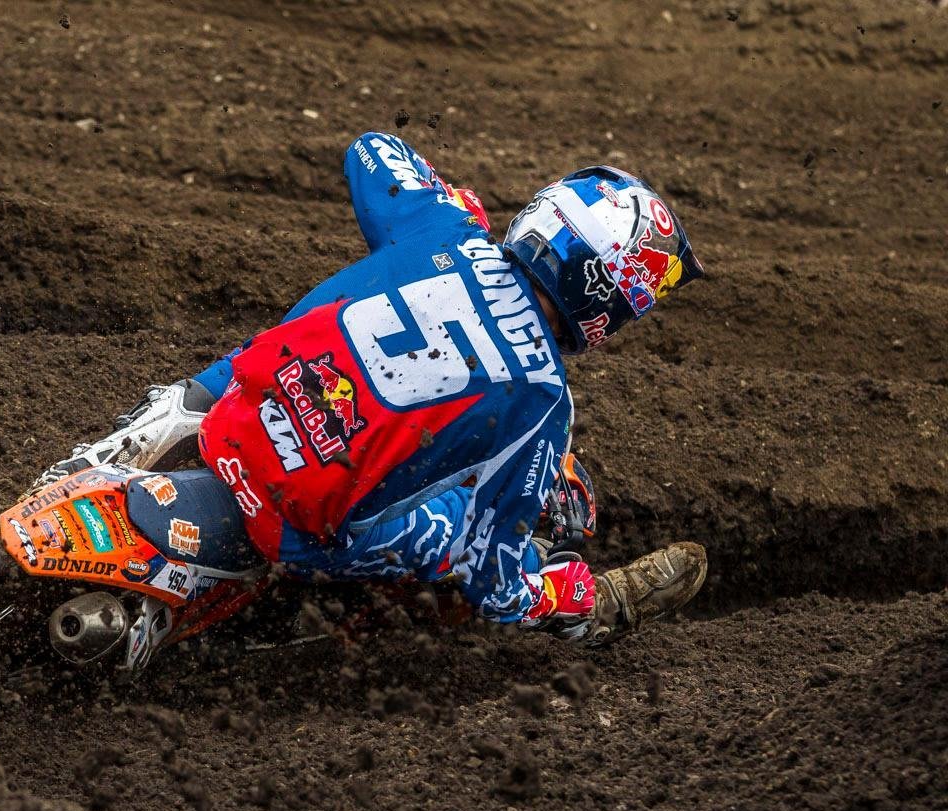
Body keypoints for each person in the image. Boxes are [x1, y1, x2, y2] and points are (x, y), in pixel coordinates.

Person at [35, 131, 707, 646]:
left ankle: (144, 431)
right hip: (295, 524)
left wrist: (448, 200)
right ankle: (599, 606)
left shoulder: (444, 227)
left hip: (238, 411)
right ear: (614, 298)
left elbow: (372, 150)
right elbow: (491, 580)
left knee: (284, 342)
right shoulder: (542, 402)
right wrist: (561, 590)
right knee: (461, 538)